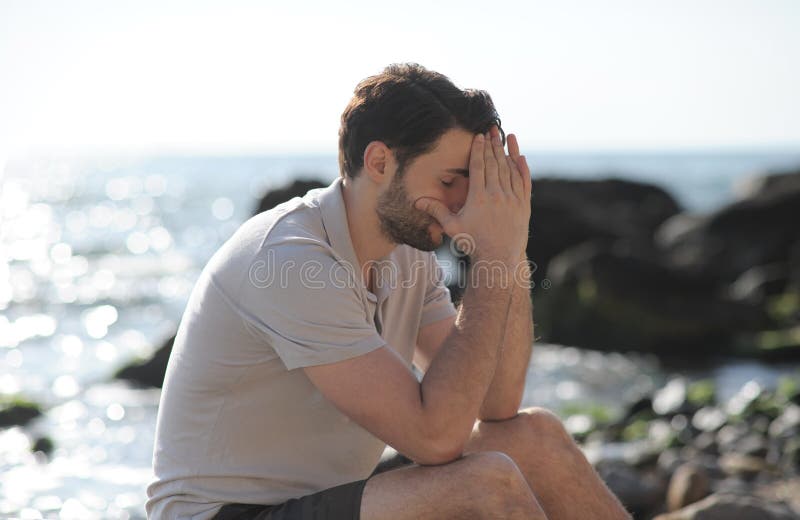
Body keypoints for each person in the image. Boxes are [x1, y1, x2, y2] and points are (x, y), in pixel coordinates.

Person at [146, 63, 631, 519]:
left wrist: (510, 248)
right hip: (229, 514)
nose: (463, 201)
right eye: (449, 180)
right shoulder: (289, 259)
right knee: (487, 484)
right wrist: (492, 256)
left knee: (533, 437)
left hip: (327, 500)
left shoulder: (407, 255)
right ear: (379, 162)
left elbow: (496, 402)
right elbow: (435, 438)